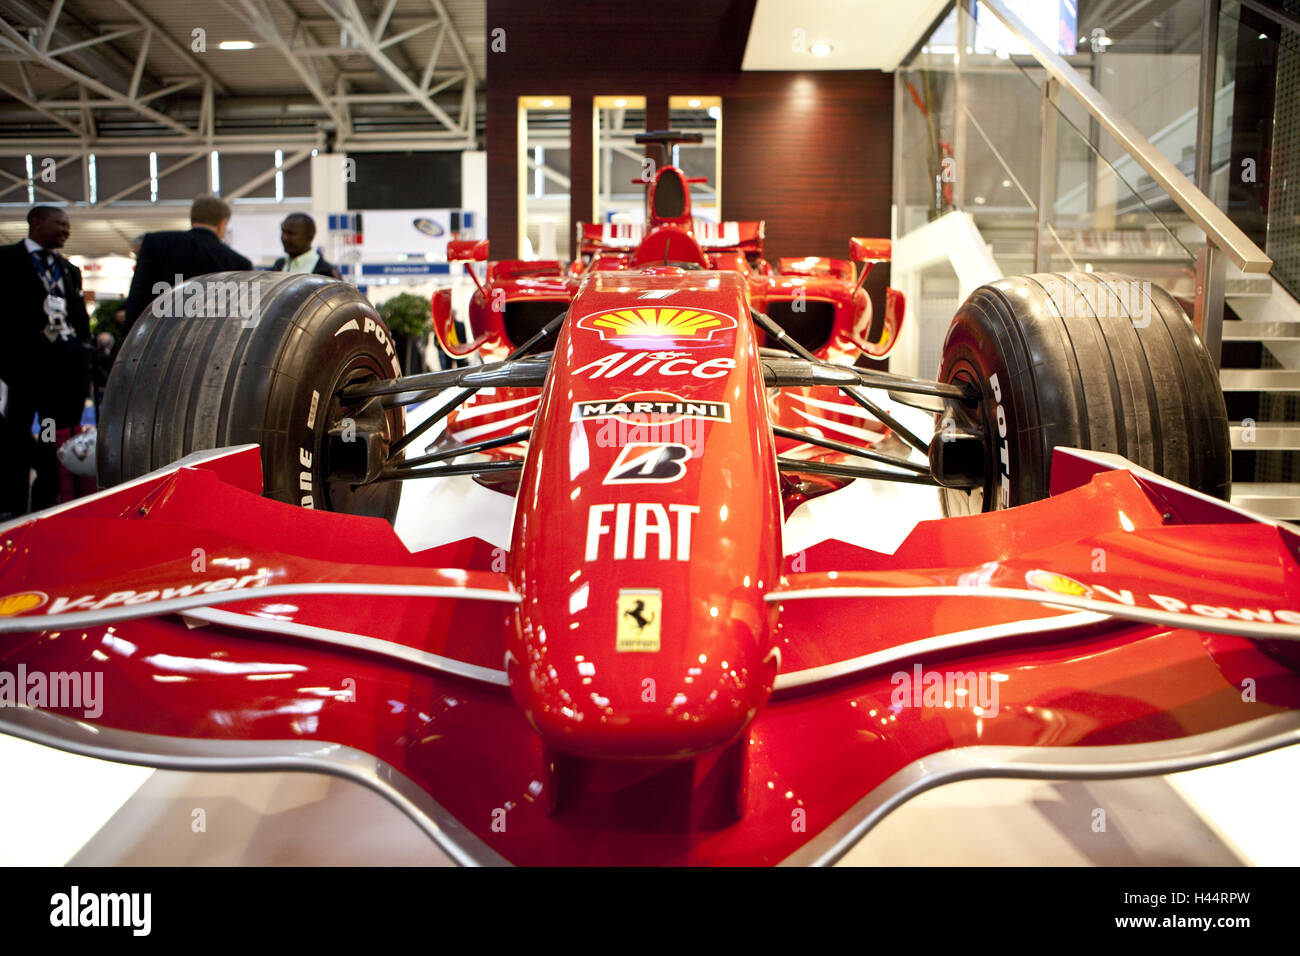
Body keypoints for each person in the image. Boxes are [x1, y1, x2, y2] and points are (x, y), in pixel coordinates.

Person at [0, 205, 91, 518]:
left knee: (55, 435)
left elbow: (78, 317)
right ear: (36, 223)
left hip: (62, 373)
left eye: (68, 225)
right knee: (14, 436)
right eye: (60, 224)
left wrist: (83, 348)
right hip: (20, 370)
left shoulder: (68, 269)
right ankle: (11, 504)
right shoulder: (6, 260)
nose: (66, 230)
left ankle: (48, 498)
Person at [123, 195, 252, 331]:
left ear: (193, 218)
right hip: (210, 339)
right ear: (222, 224)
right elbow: (241, 320)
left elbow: (138, 299)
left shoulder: (155, 243)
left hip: (159, 336)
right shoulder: (239, 263)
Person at [272, 213, 341, 278]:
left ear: (309, 237)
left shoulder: (327, 273)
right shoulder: (278, 266)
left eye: (290, 233)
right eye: (283, 231)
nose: (284, 238)